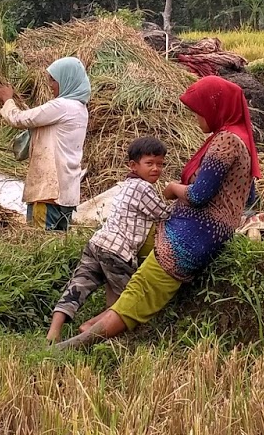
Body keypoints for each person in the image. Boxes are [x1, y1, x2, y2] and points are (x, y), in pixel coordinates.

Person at [58, 76, 259, 348]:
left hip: (191, 238)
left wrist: (174, 188)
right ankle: (94, 322)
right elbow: (248, 196)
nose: (197, 119)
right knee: (125, 257)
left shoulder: (226, 141)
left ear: (216, 108)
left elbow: (199, 196)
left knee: (142, 290)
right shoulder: (242, 138)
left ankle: (71, 346)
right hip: (188, 229)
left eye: (198, 112)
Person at [44, 136, 171, 343]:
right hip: (117, 251)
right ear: (133, 165)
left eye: (160, 164)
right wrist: (177, 192)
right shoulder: (143, 188)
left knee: (78, 287)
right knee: (131, 299)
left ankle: (54, 331)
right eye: (149, 163)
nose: (156, 169)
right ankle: (91, 327)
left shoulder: (127, 185)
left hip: (97, 244)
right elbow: (164, 214)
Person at [0, 56, 90, 231]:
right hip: (67, 194)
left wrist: (8, 99)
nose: (50, 84)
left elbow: (20, 119)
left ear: (67, 79)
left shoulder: (62, 106)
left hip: (48, 193)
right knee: (59, 248)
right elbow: (38, 119)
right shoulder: (80, 109)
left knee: (40, 244)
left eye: (54, 79)